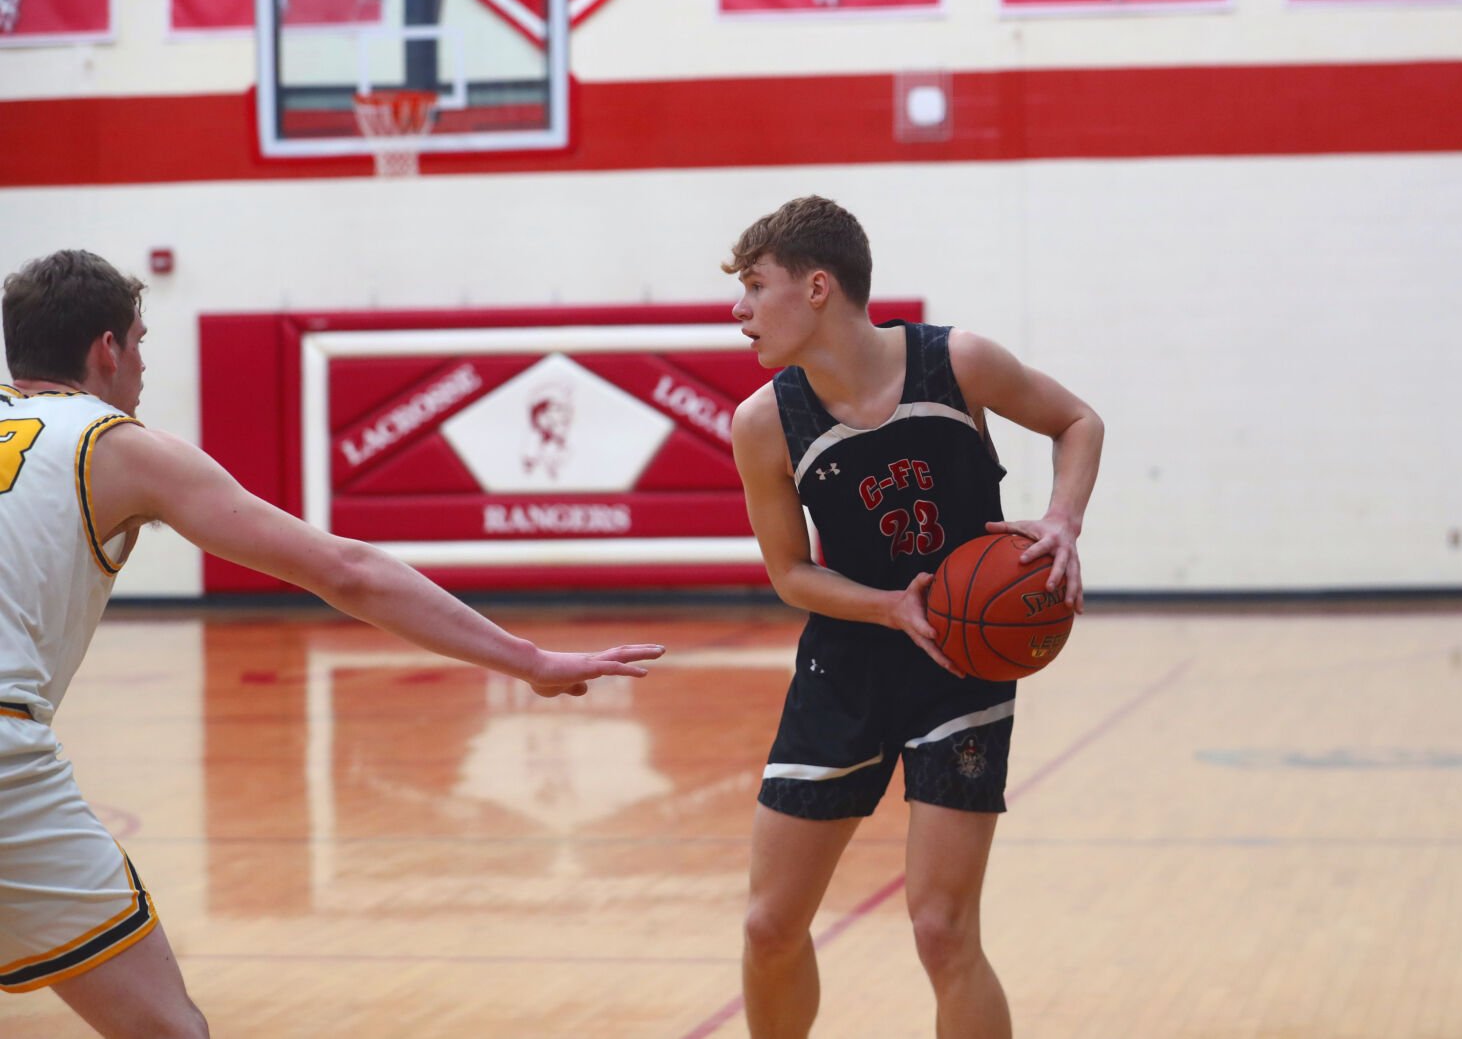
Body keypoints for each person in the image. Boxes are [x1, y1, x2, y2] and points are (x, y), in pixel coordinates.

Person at [0, 250, 665, 1037]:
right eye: (140, 342)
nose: (143, 365)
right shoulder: (115, 444)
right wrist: (528, 660)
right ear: (106, 348)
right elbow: (348, 571)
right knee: (170, 1030)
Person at [722, 196, 1103, 1037]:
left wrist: (1061, 521)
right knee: (768, 926)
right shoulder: (762, 423)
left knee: (940, 929)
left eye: (754, 286)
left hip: (961, 667)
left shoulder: (956, 363)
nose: (738, 311)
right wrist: (887, 606)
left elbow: (1077, 421)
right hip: (845, 665)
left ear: (817, 286)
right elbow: (789, 573)